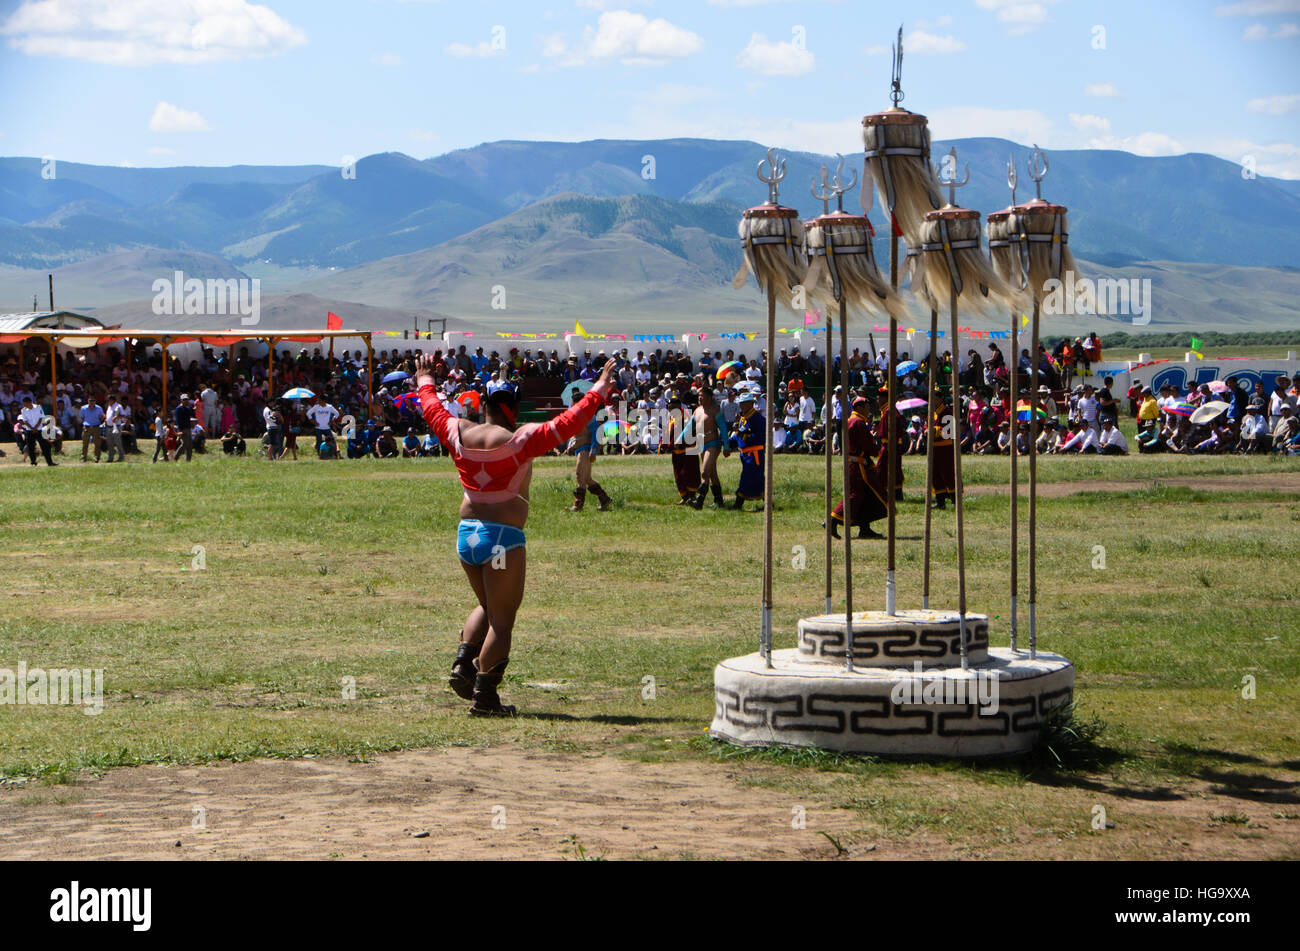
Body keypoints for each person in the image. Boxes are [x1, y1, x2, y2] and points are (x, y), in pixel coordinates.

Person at [416, 355, 616, 717]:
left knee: (489, 607)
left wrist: (426, 379)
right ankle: (485, 699)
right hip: (502, 539)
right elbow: (569, 423)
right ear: (515, 406)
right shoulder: (522, 440)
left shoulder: (457, 431)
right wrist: (599, 390)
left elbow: (431, 409)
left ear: (485, 404)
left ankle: (464, 663)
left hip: (467, 536)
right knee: (502, 621)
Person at [828, 396, 887, 539]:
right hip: (858, 465)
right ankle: (832, 521)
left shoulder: (851, 420)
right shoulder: (858, 422)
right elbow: (867, 445)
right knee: (855, 495)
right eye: (867, 407)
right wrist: (876, 449)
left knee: (866, 495)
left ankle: (865, 528)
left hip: (856, 463)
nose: (869, 410)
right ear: (859, 408)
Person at [565, 385, 613, 512]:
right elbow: (575, 434)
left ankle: (578, 505)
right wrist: (570, 445)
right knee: (587, 479)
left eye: (574, 403)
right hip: (580, 449)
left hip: (585, 449)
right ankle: (604, 498)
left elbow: (594, 435)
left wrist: (593, 451)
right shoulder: (577, 416)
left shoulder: (589, 416)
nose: (573, 405)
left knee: (579, 476)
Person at [727, 387, 765, 510]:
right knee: (755, 479)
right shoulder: (743, 418)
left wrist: (748, 435)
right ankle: (768, 503)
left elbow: (761, 435)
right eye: (740, 403)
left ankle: (738, 504)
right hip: (745, 454)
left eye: (743, 403)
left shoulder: (757, 418)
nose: (741, 406)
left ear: (750, 403)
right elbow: (739, 436)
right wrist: (728, 442)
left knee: (749, 477)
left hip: (754, 454)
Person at [691, 384, 727, 509]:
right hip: (701, 444)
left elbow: (723, 428)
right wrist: (678, 440)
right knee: (712, 474)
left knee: (705, 472)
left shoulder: (715, 410)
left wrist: (726, 446)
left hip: (713, 444)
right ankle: (719, 501)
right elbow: (689, 427)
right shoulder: (697, 411)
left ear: (709, 397)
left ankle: (699, 501)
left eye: (702, 396)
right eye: (699, 396)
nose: (700, 398)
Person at [665, 395, 701, 504]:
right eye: (669, 408)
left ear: (678, 406)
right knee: (678, 475)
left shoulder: (687, 416)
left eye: (673, 407)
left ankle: (692, 497)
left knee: (690, 474)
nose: (671, 410)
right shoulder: (672, 417)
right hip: (676, 451)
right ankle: (684, 497)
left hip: (689, 450)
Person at [18, 396, 56, 466]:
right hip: (30, 430)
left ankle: (49, 462)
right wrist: (32, 428)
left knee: (44, 447)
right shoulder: (23, 410)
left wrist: (35, 428)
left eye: (25, 403)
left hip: (39, 430)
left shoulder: (38, 407)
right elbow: (25, 421)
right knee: (31, 447)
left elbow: (41, 418)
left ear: (29, 402)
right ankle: (33, 462)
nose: (24, 405)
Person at [80, 395, 105, 462]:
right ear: (88, 401)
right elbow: (82, 417)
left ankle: (96, 457)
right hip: (86, 427)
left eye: (93, 401)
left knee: (97, 444)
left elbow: (102, 416)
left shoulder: (99, 408)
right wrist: (85, 424)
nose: (91, 402)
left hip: (96, 427)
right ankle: (83, 457)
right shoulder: (83, 408)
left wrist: (99, 421)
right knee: (85, 444)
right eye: (90, 401)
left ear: (95, 401)